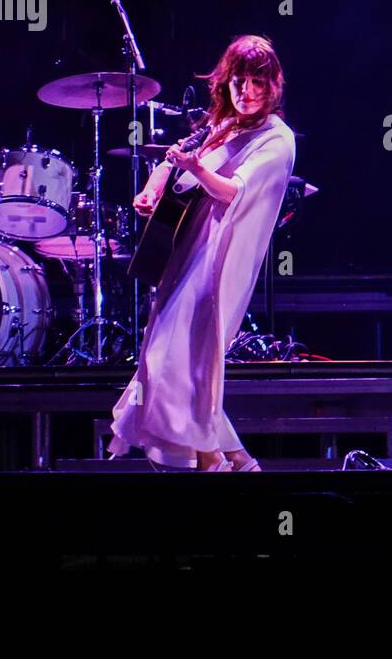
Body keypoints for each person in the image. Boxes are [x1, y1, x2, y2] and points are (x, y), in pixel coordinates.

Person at [109, 34, 296, 471]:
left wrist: (194, 168)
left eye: (256, 82)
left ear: (272, 86)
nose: (246, 91)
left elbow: (234, 193)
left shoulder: (277, 139)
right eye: (238, 81)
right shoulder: (225, 126)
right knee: (179, 362)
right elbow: (174, 160)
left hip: (219, 260)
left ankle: (209, 459)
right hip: (188, 252)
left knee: (174, 358)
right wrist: (154, 186)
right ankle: (235, 461)